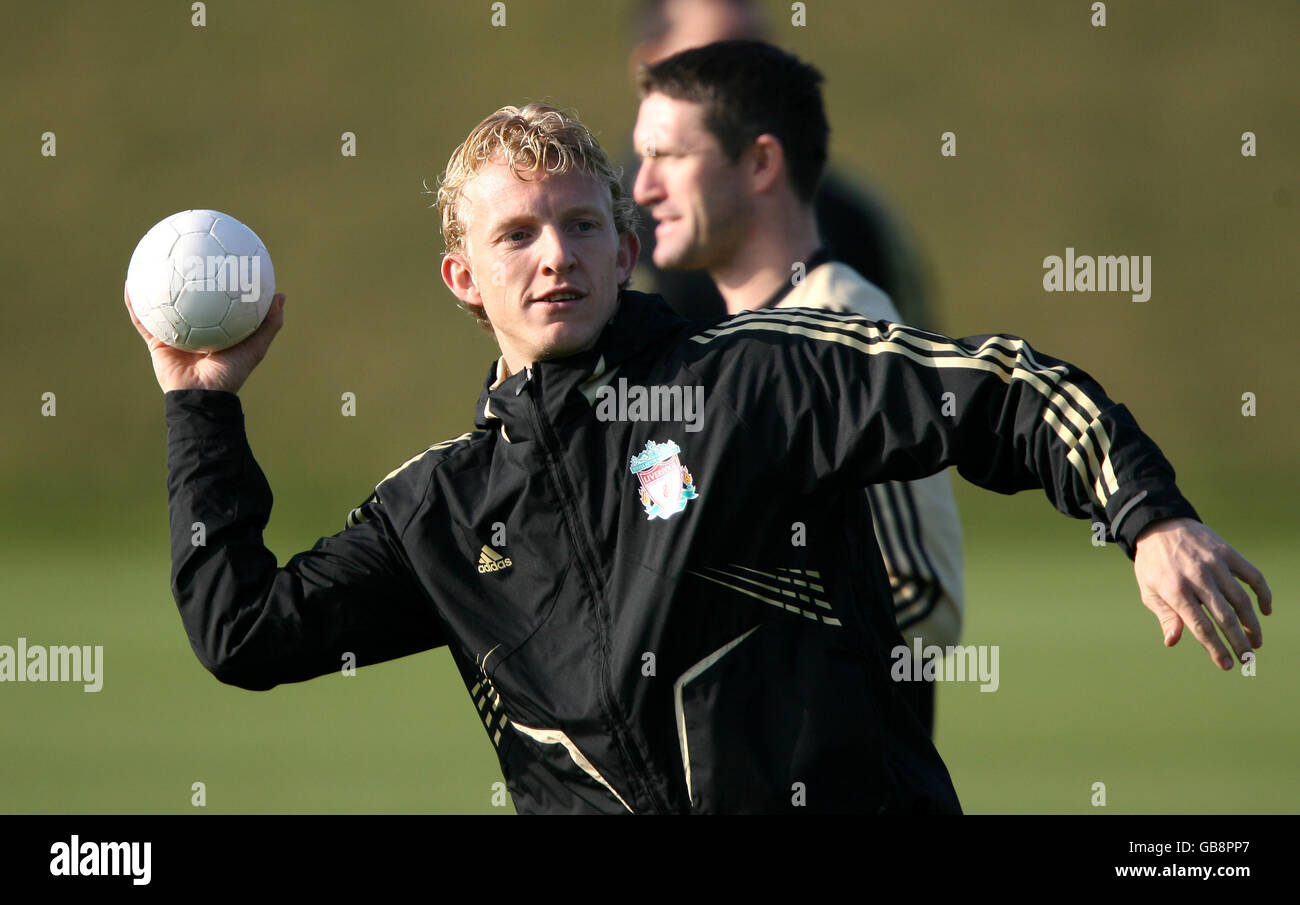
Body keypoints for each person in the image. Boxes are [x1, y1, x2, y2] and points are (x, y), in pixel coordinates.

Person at [126, 102, 1270, 815]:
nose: (554, 257)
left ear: (627, 247)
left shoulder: (752, 379)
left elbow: (1001, 388)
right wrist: (199, 410)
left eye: (580, 225)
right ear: (462, 278)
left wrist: (1148, 516)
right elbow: (246, 633)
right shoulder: (440, 508)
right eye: (515, 233)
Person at [633, 40, 963, 737]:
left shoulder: (841, 330)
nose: (642, 187)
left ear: (760, 163)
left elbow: (920, 594)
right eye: (642, 157)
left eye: (670, 156)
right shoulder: (714, 353)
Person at [623, 0, 930, 327]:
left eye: (758, 48)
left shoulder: (851, 228)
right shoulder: (602, 225)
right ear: (650, 62)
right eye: (720, 56)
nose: (646, 190)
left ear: (762, 163)